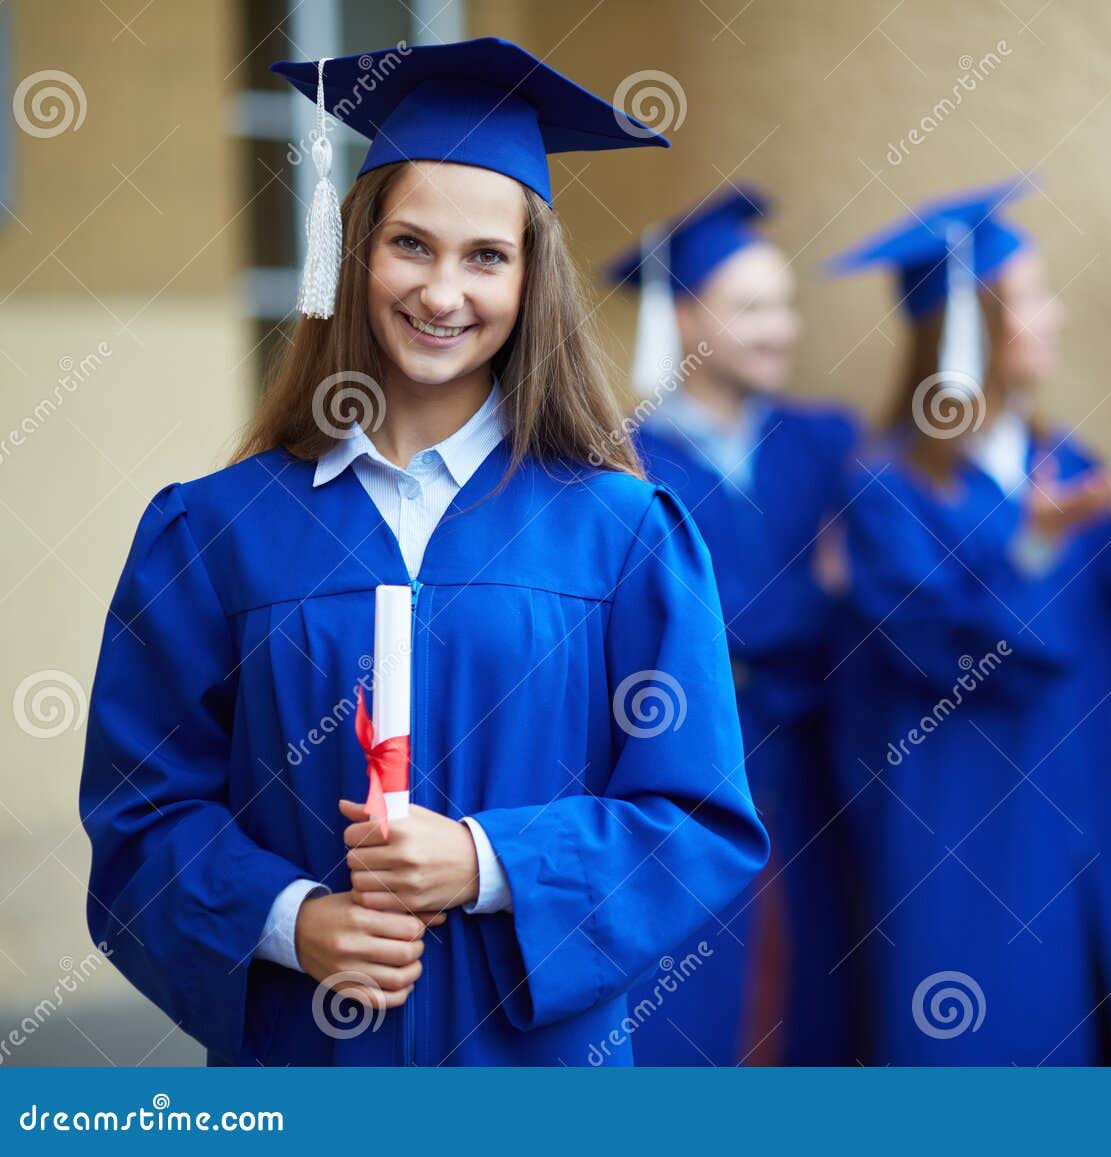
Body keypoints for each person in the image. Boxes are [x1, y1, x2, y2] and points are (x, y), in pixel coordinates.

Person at [77, 37, 767, 1067]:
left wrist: (487, 860)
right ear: (356, 252)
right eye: (411, 244)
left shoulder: (622, 531)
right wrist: (290, 918)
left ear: (531, 278)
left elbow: (696, 818)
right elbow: (140, 813)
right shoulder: (215, 530)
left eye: (486, 255)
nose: (443, 292)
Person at [826, 180, 1111, 1065]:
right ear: (971, 330)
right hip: (966, 833)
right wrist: (1029, 550)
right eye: (1031, 300)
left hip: (1079, 814)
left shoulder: (1066, 459)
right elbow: (944, 648)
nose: (1055, 316)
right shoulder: (885, 488)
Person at [607, 187, 863, 1065]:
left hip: (819, 756)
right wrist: (819, 592)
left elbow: (871, 585)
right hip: (699, 758)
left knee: (819, 991)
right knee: (706, 998)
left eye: (784, 305)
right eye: (751, 307)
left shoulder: (824, 439)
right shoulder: (627, 463)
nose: (781, 329)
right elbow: (697, 624)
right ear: (682, 317)